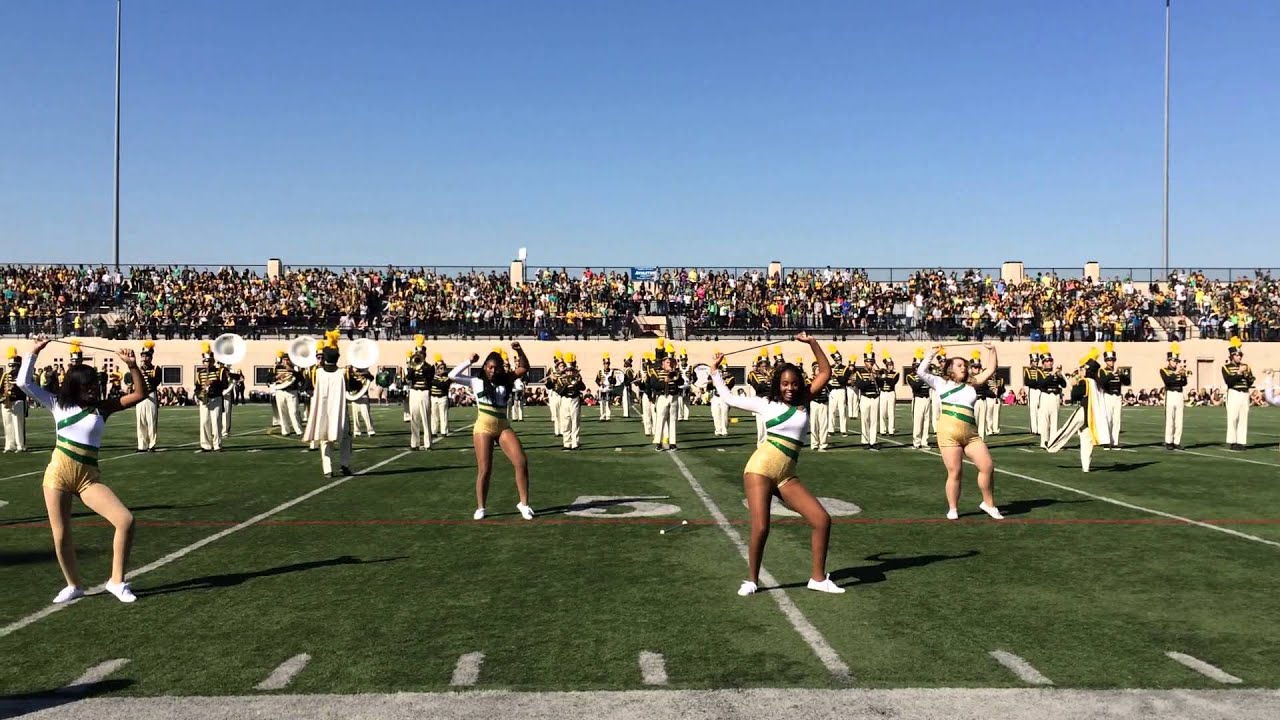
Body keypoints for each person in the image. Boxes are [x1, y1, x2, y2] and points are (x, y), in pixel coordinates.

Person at [708, 332, 844, 597]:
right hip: (759, 470)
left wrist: (812, 343)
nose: (789, 388)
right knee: (761, 526)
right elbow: (730, 399)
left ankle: (818, 578)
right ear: (777, 385)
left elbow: (825, 372)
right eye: (784, 384)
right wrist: (715, 372)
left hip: (786, 475)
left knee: (822, 520)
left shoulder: (805, 400)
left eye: (794, 383)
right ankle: (751, 580)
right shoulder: (766, 404)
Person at [19, 336, 146, 604]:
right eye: (88, 386)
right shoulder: (57, 404)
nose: (93, 390)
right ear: (75, 386)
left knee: (125, 520)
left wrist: (132, 366)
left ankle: (117, 581)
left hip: (88, 479)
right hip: (58, 477)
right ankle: (73, 585)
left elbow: (139, 394)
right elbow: (23, 383)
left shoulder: (103, 409)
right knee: (61, 534)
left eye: (95, 385)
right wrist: (34, 351)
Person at [917, 343, 1004, 521]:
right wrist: (931, 354)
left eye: (964, 365)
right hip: (948, 435)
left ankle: (988, 504)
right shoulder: (941, 383)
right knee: (955, 472)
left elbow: (991, 369)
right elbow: (921, 372)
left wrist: (992, 350)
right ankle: (953, 508)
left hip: (971, 435)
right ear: (950, 369)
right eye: (959, 365)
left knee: (987, 466)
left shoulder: (972, 384)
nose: (963, 367)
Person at [448, 343, 535, 521]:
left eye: (496, 368)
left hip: (503, 426)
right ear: (485, 367)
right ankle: (481, 507)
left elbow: (525, 367)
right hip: (483, 428)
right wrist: (469, 361)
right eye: (489, 367)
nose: (493, 371)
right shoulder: (476, 381)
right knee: (485, 469)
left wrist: (519, 350)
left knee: (521, 462)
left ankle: (524, 504)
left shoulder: (507, 379)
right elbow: (452, 375)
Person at [1047, 349, 1115, 473]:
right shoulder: (1097, 383)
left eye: (1083, 369)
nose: (1081, 370)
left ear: (1088, 370)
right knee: (1086, 442)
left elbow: (1075, 395)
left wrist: (1076, 381)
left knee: (1067, 429)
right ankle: (1086, 467)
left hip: (1084, 411)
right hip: (1093, 417)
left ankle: (1051, 446)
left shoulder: (1086, 381)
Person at [303, 334, 353, 478]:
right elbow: (353, 387)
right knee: (345, 438)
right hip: (340, 411)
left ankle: (328, 469)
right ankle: (344, 465)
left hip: (322, 410)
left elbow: (308, 388)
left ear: (324, 358)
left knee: (324, 438)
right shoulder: (344, 372)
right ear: (338, 357)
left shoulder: (316, 373)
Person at [194, 342, 229, 452]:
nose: (207, 363)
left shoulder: (220, 371)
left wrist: (213, 382)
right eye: (205, 361)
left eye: (209, 361)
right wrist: (199, 395)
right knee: (204, 422)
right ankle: (205, 445)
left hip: (216, 398)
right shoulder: (200, 373)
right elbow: (197, 387)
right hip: (204, 399)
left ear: (213, 361)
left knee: (216, 422)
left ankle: (217, 444)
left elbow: (225, 385)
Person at [126, 340, 160, 451]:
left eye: (147, 356)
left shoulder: (156, 369)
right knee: (140, 421)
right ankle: (142, 445)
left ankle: (152, 444)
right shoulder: (138, 369)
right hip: (139, 395)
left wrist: (146, 374)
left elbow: (156, 382)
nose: (144, 358)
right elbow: (130, 378)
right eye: (143, 356)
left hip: (150, 395)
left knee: (151, 421)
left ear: (151, 358)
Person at [1222, 337, 1253, 451]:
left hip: (1244, 393)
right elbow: (1229, 381)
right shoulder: (1226, 367)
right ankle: (1232, 441)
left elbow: (1250, 381)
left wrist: (1247, 375)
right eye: (1237, 355)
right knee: (1233, 418)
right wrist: (1239, 373)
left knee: (1243, 418)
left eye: (1240, 355)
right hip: (1234, 393)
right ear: (1232, 356)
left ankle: (1241, 441)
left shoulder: (1246, 366)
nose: (1239, 357)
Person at [1097, 342, 1129, 449]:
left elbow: (1127, 382)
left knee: (1116, 420)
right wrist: (1112, 374)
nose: (1111, 362)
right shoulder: (1102, 371)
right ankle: (1106, 441)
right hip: (1108, 396)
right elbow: (1102, 383)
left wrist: (1122, 374)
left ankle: (1115, 442)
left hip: (1117, 396)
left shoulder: (1118, 371)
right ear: (1105, 361)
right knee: (1108, 419)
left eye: (1113, 360)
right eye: (1109, 360)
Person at [405, 335, 433, 451]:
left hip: (424, 392)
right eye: (417, 353)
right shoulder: (413, 366)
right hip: (414, 392)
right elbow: (408, 378)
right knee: (414, 418)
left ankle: (427, 444)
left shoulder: (429, 367)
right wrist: (411, 368)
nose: (419, 355)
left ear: (424, 355)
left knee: (425, 418)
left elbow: (429, 378)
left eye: (421, 354)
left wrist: (422, 368)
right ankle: (414, 443)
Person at [1160, 342, 1190, 450]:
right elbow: (1167, 381)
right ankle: (1169, 441)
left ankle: (1177, 441)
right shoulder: (1164, 370)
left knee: (1179, 420)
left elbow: (1184, 383)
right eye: (1174, 361)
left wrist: (1183, 375)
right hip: (1170, 394)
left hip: (1179, 394)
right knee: (1170, 419)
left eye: (1176, 361)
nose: (1175, 363)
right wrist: (1176, 374)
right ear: (1169, 360)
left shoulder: (1178, 371)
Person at [651, 354, 684, 451]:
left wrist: (675, 375)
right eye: (667, 362)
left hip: (674, 397)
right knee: (660, 420)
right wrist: (664, 382)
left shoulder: (676, 372)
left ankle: (672, 442)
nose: (669, 364)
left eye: (671, 362)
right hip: (663, 397)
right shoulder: (657, 372)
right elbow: (654, 385)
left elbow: (681, 382)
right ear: (663, 363)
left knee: (673, 420)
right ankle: (658, 442)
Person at [851, 344, 880, 450]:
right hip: (865, 398)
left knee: (874, 421)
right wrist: (869, 380)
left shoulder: (876, 373)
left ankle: (873, 441)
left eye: (872, 362)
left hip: (875, 398)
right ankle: (865, 441)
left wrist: (877, 376)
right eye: (868, 362)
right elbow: (860, 385)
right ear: (865, 362)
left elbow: (881, 384)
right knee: (865, 420)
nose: (870, 364)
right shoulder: (860, 373)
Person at [555, 353, 586, 450]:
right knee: (566, 422)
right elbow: (559, 391)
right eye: (568, 371)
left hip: (575, 400)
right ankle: (566, 443)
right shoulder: (561, 379)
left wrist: (578, 382)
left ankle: (575, 443)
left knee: (575, 421)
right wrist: (566, 384)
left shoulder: (577, 377)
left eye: (571, 370)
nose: (569, 372)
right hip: (565, 400)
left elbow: (583, 388)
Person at [2, 347, 28, 452]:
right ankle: (9, 445)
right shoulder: (6, 375)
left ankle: (20, 445)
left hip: (18, 400)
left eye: (15, 365)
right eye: (11, 365)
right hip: (7, 402)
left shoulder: (23, 376)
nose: (13, 368)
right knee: (7, 424)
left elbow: (25, 388)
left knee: (18, 425)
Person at [272, 351, 303, 436]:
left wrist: (292, 371)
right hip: (280, 391)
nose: (285, 362)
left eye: (287, 360)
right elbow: (268, 379)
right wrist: (276, 377)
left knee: (294, 412)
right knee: (282, 412)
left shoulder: (295, 368)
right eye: (284, 360)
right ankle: (285, 431)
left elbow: (301, 378)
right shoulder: (276, 368)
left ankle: (299, 430)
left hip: (292, 392)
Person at [906, 348, 932, 449]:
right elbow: (915, 386)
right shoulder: (910, 376)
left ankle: (924, 441)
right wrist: (923, 377)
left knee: (926, 421)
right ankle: (916, 442)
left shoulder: (927, 375)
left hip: (927, 399)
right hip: (918, 399)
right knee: (918, 421)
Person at [346, 361, 376, 437]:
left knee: (365, 414)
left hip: (364, 396)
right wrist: (349, 371)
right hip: (355, 396)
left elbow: (371, 377)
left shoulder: (366, 373)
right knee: (355, 415)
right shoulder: (351, 374)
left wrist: (361, 373)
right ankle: (356, 430)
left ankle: (370, 429)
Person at [827, 346, 849, 436]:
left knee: (842, 410)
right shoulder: (830, 368)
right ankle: (831, 430)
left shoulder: (845, 368)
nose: (838, 361)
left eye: (839, 359)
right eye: (837, 359)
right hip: (833, 391)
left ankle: (843, 430)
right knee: (831, 411)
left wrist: (836, 375)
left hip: (841, 390)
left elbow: (844, 381)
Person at [710, 355, 734, 436]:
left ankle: (724, 430)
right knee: (715, 414)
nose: (725, 372)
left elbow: (728, 386)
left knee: (724, 414)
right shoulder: (716, 377)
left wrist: (721, 379)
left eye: (725, 371)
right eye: (723, 371)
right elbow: (709, 387)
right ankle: (718, 430)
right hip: (716, 397)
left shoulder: (731, 378)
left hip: (724, 398)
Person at [430, 354, 451, 440]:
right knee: (434, 415)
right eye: (439, 368)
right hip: (433, 397)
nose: (440, 370)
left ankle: (444, 431)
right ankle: (434, 431)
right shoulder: (432, 376)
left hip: (442, 397)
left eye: (442, 368)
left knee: (443, 415)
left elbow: (444, 386)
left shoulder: (447, 377)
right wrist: (437, 382)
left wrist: (436, 382)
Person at [877, 356, 899, 436]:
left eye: (891, 364)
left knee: (891, 412)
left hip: (891, 393)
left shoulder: (896, 374)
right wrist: (879, 376)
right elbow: (879, 384)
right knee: (882, 412)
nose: (891, 366)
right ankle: (882, 430)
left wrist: (885, 377)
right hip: (883, 393)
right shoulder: (882, 372)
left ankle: (891, 430)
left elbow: (893, 382)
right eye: (889, 365)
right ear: (886, 366)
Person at [595, 354, 615, 421]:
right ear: (603, 364)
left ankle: (608, 416)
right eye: (605, 364)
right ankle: (602, 415)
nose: (607, 365)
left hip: (609, 388)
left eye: (608, 364)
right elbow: (596, 380)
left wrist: (612, 383)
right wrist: (599, 383)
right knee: (602, 402)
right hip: (602, 389)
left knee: (608, 402)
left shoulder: (612, 372)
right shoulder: (600, 371)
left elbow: (614, 380)